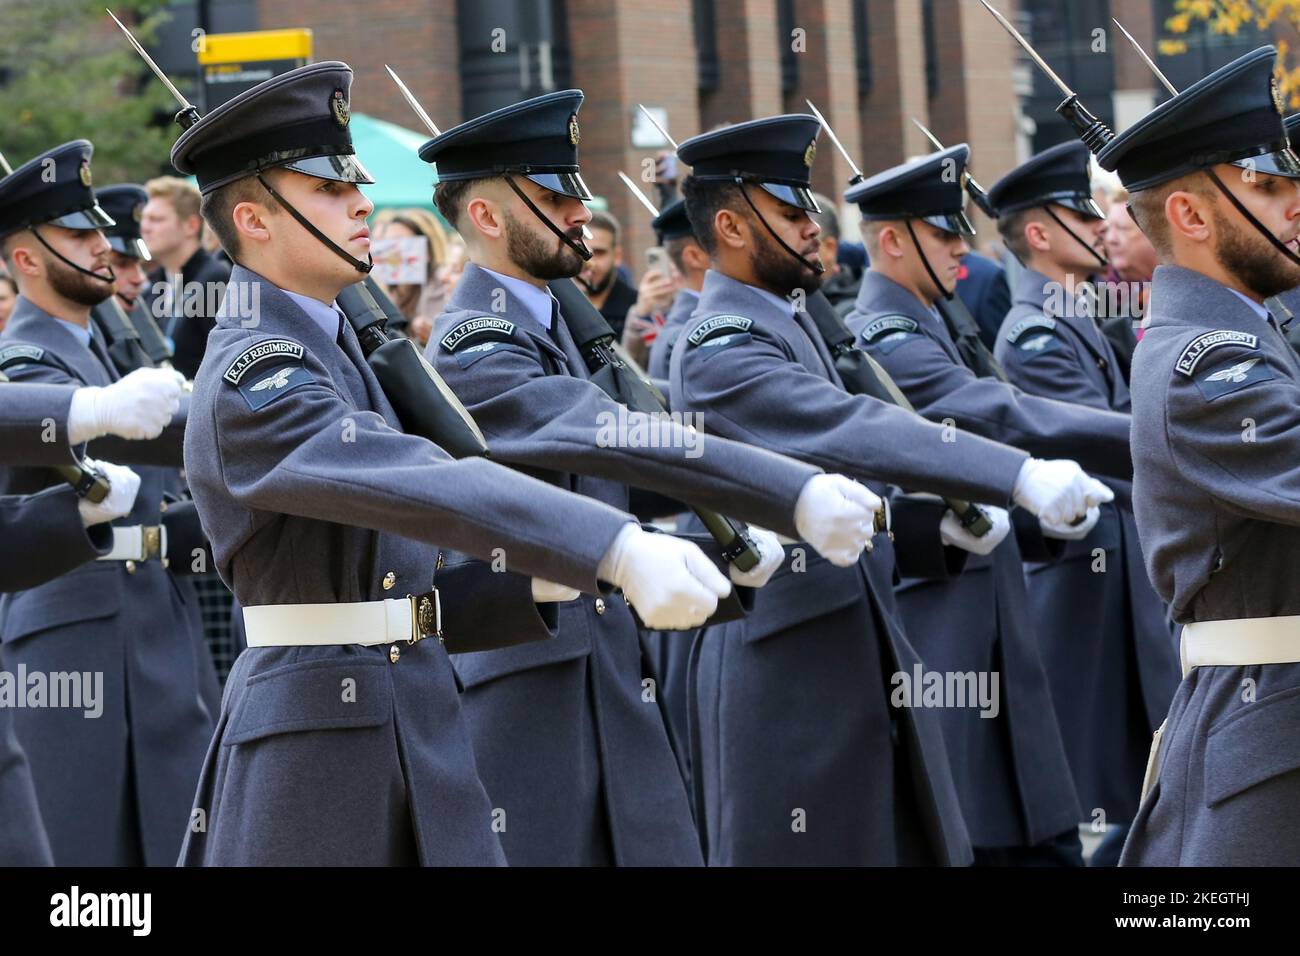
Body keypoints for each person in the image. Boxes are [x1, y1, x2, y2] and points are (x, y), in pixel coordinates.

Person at [168, 60, 741, 866]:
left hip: (415, 711)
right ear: (255, 221)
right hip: (317, 745)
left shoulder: (338, 347)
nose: (362, 203)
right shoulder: (256, 369)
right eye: (331, 190)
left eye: (353, 185)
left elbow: (396, 573)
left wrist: (549, 574)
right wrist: (611, 545)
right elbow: (411, 478)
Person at [421, 89, 879, 865]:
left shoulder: (554, 327)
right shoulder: (477, 342)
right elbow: (606, 434)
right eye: (554, 196)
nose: (579, 213)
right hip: (527, 688)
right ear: (488, 220)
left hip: (600, 664)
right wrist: (783, 491)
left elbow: (602, 477)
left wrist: (717, 521)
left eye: (577, 193)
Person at [670, 113, 1113, 865]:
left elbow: (838, 484)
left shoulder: (788, 321)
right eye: (789, 211)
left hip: (850, 644)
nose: (814, 226)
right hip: (786, 673)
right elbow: (846, 425)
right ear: (731, 228)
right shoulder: (722, 344)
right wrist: (1018, 474)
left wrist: (924, 527)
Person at [844, 143, 1137, 865]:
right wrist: (1154, 439)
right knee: (970, 835)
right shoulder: (885, 335)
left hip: (992, 605)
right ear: (891, 240)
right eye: (943, 234)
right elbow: (991, 410)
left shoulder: (936, 322)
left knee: (1035, 834)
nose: (960, 249)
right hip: (943, 619)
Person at [1076, 45, 1300, 866]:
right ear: (1194, 218)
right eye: (1270, 187)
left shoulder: (1249, 332)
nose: (1296, 205)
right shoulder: (1205, 361)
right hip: (1271, 740)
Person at [0, 139, 214, 867]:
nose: (102, 247)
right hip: (77, 634)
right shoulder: (34, 362)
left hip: (151, 617)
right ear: (25, 259)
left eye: (101, 232)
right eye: (79, 235)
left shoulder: (100, 351)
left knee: (172, 838)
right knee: (82, 854)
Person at [988, 141, 1180, 864]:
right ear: (1039, 235)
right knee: (1108, 786)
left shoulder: (1072, 316)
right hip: (1085, 589)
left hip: (1119, 578)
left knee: (1143, 778)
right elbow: (1104, 447)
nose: (1103, 226)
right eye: (1080, 215)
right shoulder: (1036, 332)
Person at [141, 175, 231, 378]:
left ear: (191, 225)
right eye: (144, 219)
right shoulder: (155, 285)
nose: (145, 228)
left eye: (156, 219)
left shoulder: (215, 280)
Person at [370, 206, 451, 346]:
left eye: (401, 242)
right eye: (386, 242)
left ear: (428, 252)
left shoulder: (445, 290)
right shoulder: (377, 292)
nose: (391, 251)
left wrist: (437, 336)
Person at [576, 209, 640, 339]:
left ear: (617, 256)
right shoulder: (555, 306)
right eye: (580, 250)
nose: (589, 262)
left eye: (599, 253)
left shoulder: (638, 308)